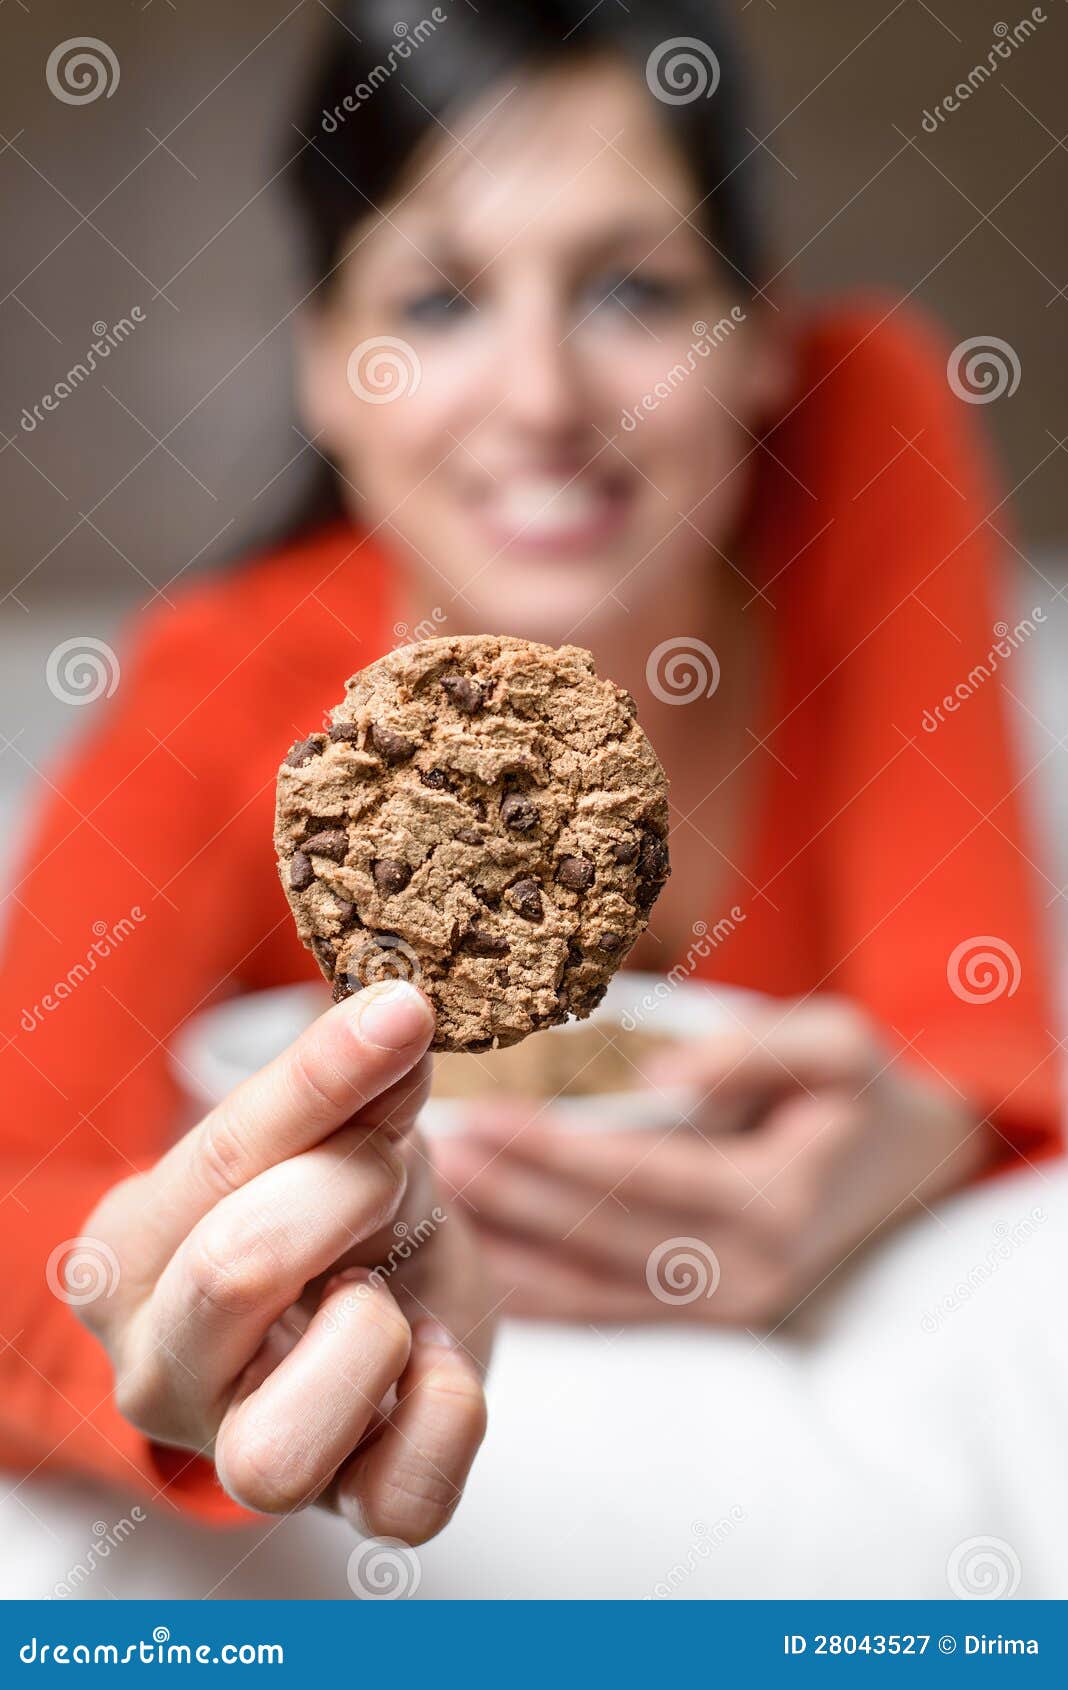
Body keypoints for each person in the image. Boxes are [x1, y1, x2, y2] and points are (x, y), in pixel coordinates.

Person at [0, 0, 1059, 1542]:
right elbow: (26, 1203)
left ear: (759, 332)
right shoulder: (214, 694)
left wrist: (921, 1133)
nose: (546, 400)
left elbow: (974, 1025)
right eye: (437, 305)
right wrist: (209, 1337)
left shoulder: (866, 437)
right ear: (326, 370)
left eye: (634, 289)